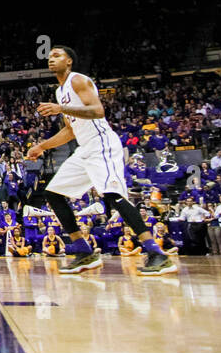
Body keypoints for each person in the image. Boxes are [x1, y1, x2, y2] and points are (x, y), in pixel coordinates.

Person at [28, 47, 176, 276]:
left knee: (112, 195)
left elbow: (98, 111)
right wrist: (41, 146)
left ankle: (157, 253)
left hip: (102, 144)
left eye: (56, 55)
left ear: (69, 61)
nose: (51, 59)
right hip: (85, 149)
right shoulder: (60, 92)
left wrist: (61, 108)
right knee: (53, 193)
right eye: (50, 56)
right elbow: (70, 130)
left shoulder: (78, 80)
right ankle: (83, 251)